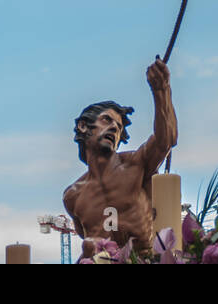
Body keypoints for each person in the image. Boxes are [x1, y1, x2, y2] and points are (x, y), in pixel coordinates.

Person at [63, 57, 177, 257]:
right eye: (106, 120)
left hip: (144, 260)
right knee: (91, 244)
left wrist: (161, 90)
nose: (114, 127)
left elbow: (165, 140)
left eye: (118, 126)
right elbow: (88, 249)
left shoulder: (136, 164)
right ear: (83, 126)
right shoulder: (72, 196)